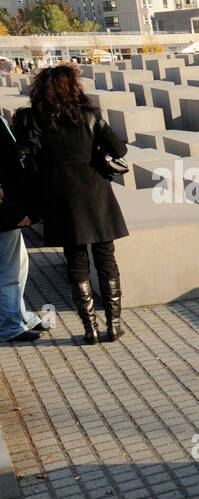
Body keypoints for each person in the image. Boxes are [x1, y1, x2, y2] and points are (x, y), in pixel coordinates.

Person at [13, 64, 130, 345]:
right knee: (106, 259)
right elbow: (120, 150)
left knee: (76, 263)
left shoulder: (35, 119)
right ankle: (113, 325)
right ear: (73, 87)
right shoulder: (90, 116)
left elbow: (27, 161)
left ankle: (89, 328)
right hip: (96, 195)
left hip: (61, 198)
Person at [0, 113, 47, 342]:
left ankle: (19, 316)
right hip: (3, 211)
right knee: (11, 270)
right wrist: (13, 211)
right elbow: (7, 166)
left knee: (17, 265)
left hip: (7, 207)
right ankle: (11, 325)